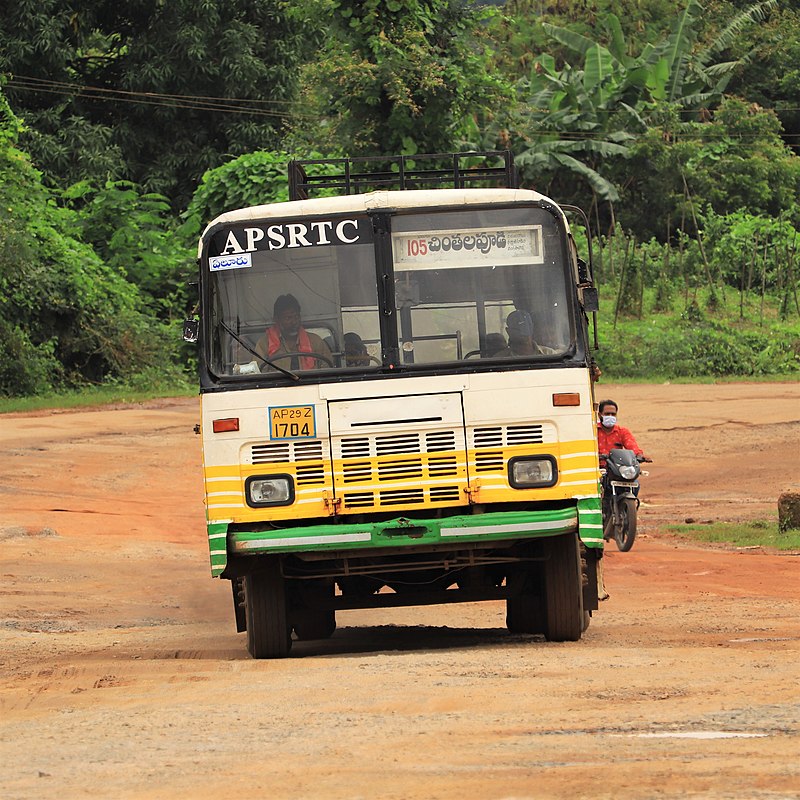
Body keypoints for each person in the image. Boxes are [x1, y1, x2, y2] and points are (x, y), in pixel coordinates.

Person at [254, 294, 332, 371]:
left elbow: (328, 371)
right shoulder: (264, 344)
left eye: (296, 316)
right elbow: (259, 373)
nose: (294, 322)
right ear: (277, 319)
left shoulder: (316, 341)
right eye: (288, 318)